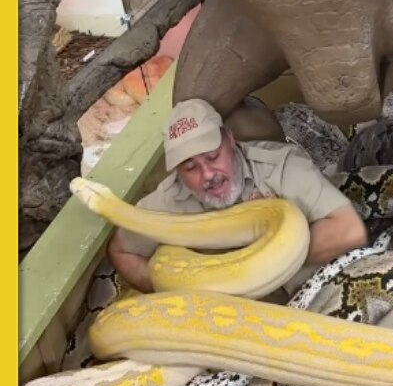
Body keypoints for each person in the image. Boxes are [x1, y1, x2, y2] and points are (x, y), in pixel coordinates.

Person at [108, 98, 369, 300]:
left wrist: (255, 259)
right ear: (177, 171)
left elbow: (348, 229)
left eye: (212, 157)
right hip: (221, 316)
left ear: (230, 140)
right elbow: (121, 250)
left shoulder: (280, 166)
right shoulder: (166, 203)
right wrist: (166, 286)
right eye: (190, 168)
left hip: (306, 295)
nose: (208, 175)